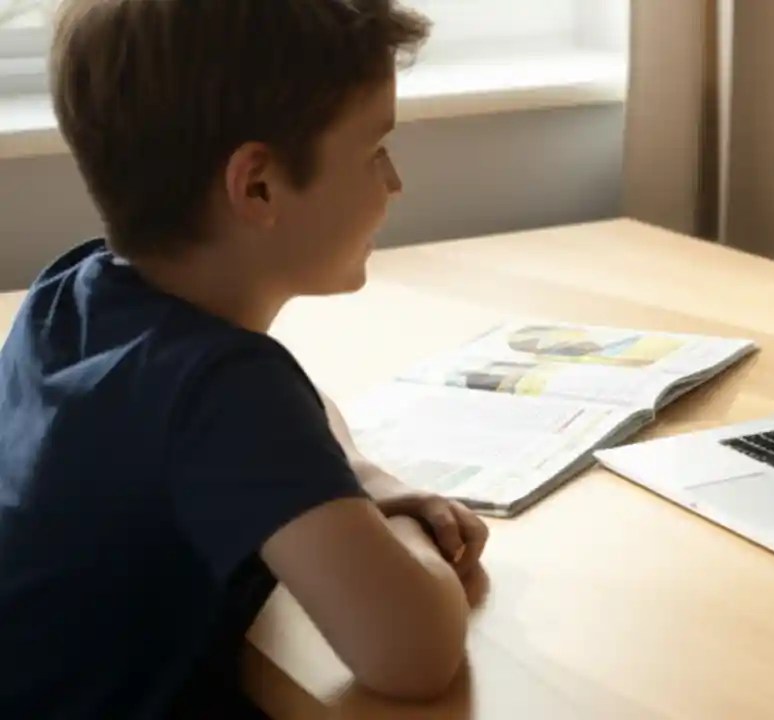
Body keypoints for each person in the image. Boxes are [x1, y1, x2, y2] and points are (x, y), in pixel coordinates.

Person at [0, 2, 490, 717]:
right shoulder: (221, 391)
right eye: (372, 151)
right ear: (257, 186)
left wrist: (356, 474)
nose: (394, 182)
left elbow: (292, 404)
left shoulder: (72, 296)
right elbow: (412, 653)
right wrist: (402, 522)